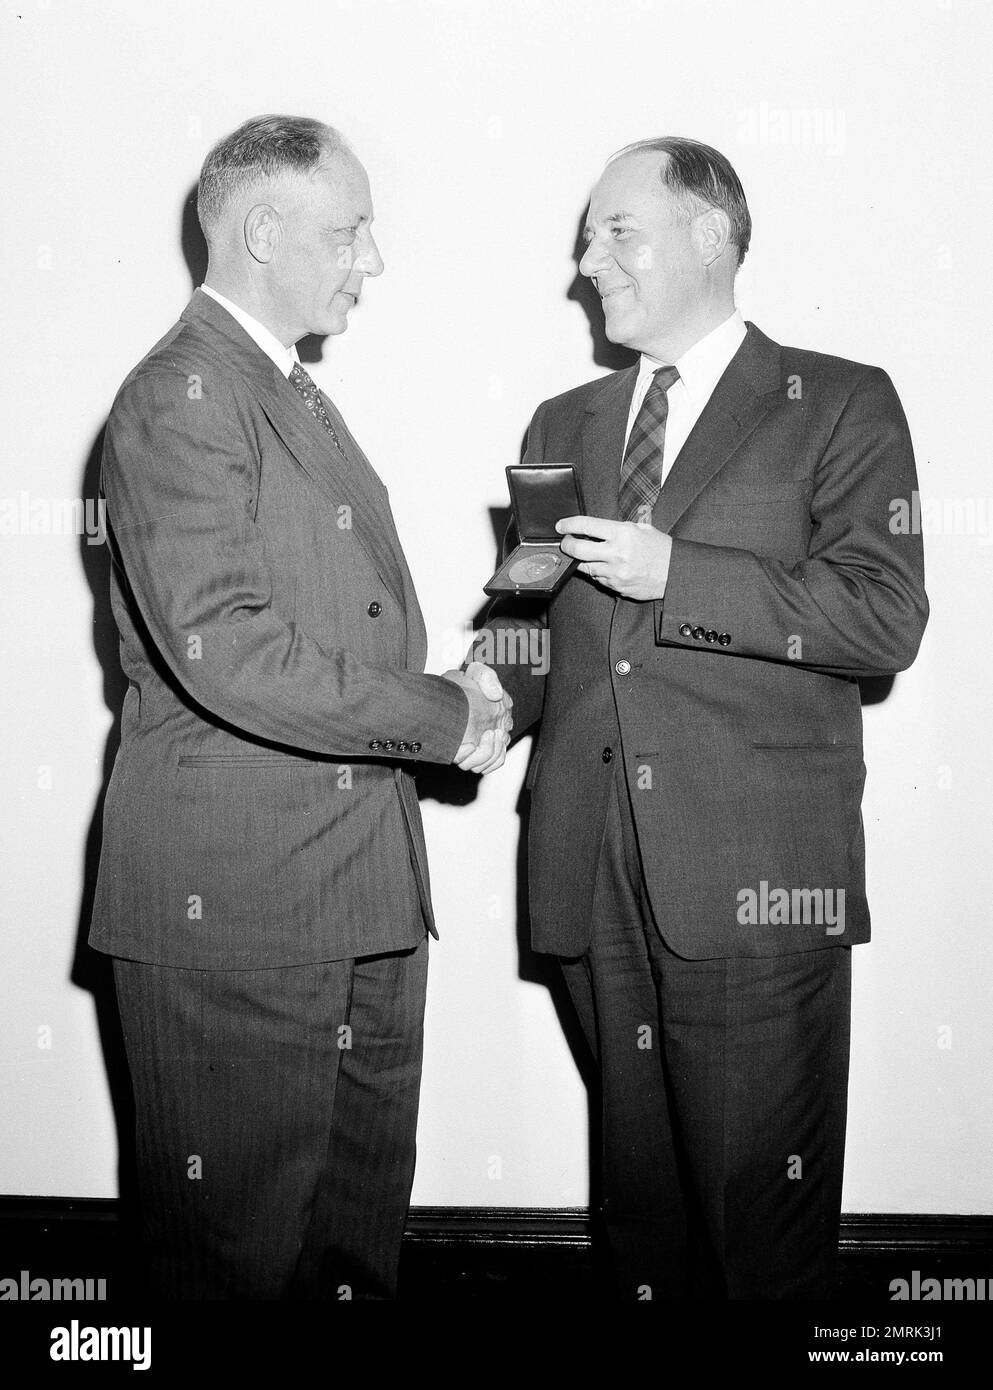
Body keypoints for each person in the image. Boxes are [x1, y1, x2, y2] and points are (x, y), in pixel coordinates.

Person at [473, 136, 928, 1299]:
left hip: (752, 881)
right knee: (644, 1232)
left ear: (712, 234)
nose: (588, 261)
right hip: (591, 871)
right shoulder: (560, 420)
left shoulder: (838, 401)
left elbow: (884, 619)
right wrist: (480, 689)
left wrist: (680, 570)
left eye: (617, 231)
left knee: (755, 1245)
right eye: (588, 236)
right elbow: (536, 623)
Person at [89, 113, 511, 1300]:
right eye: (349, 229)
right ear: (263, 230)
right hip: (240, 912)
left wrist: (473, 687)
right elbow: (233, 651)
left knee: (346, 1259)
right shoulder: (181, 391)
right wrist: (445, 714)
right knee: (238, 1266)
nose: (371, 260)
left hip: (358, 897)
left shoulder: (280, 392)